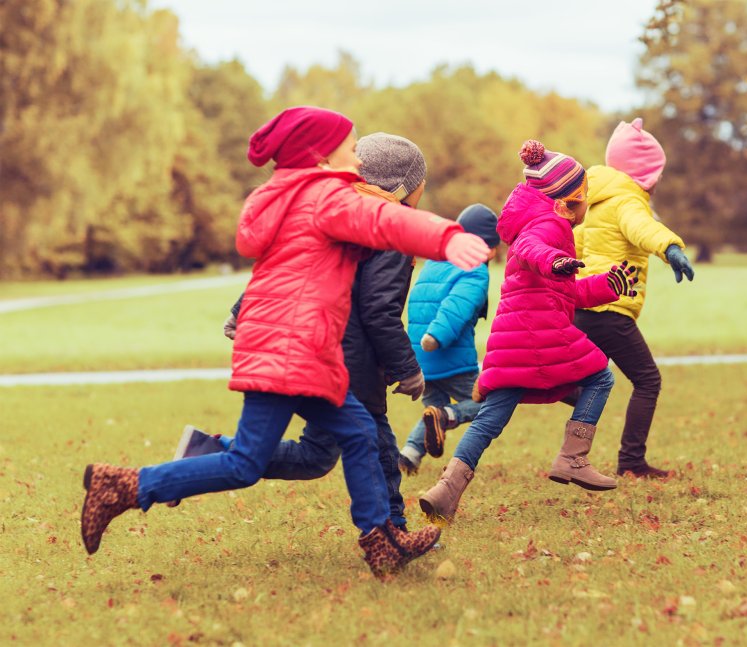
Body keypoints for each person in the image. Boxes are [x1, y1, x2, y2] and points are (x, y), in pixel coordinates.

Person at [79, 107, 490, 578]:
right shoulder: (332, 201)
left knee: (356, 435)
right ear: (322, 156)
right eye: (350, 148)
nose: (357, 158)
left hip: (306, 352)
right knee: (246, 463)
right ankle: (126, 486)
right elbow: (391, 225)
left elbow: (288, 264)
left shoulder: (300, 200)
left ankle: (382, 541)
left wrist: (241, 310)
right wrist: (448, 237)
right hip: (291, 351)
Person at [174, 132, 432, 532]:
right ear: (401, 188)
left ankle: (207, 452)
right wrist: (407, 369)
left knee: (315, 456)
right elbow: (379, 310)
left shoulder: (329, 210)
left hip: (317, 347)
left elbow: (290, 264)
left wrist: (241, 310)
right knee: (376, 443)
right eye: (419, 186)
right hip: (349, 358)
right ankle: (390, 530)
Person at [418, 140, 638, 522]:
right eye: (585, 195)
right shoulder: (548, 226)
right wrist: (555, 261)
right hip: (540, 333)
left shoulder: (538, 224)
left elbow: (565, 293)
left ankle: (446, 490)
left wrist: (607, 285)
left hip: (515, 340)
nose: (587, 202)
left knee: (489, 419)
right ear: (567, 201)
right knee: (600, 378)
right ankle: (572, 458)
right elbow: (531, 251)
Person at [572, 118, 694, 480]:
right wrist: (670, 248)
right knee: (647, 380)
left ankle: (570, 450)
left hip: (584, 306)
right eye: (657, 175)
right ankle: (631, 461)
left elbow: (575, 246)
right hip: (611, 309)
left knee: (588, 381)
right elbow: (642, 228)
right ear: (646, 175)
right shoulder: (627, 200)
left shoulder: (595, 201)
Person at [398, 203, 501, 475]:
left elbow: (420, 302)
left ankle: (408, 455)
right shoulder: (474, 269)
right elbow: (456, 307)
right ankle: (449, 416)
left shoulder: (434, 263)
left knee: (434, 409)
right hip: (448, 354)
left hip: (421, 359)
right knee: (489, 403)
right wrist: (436, 336)